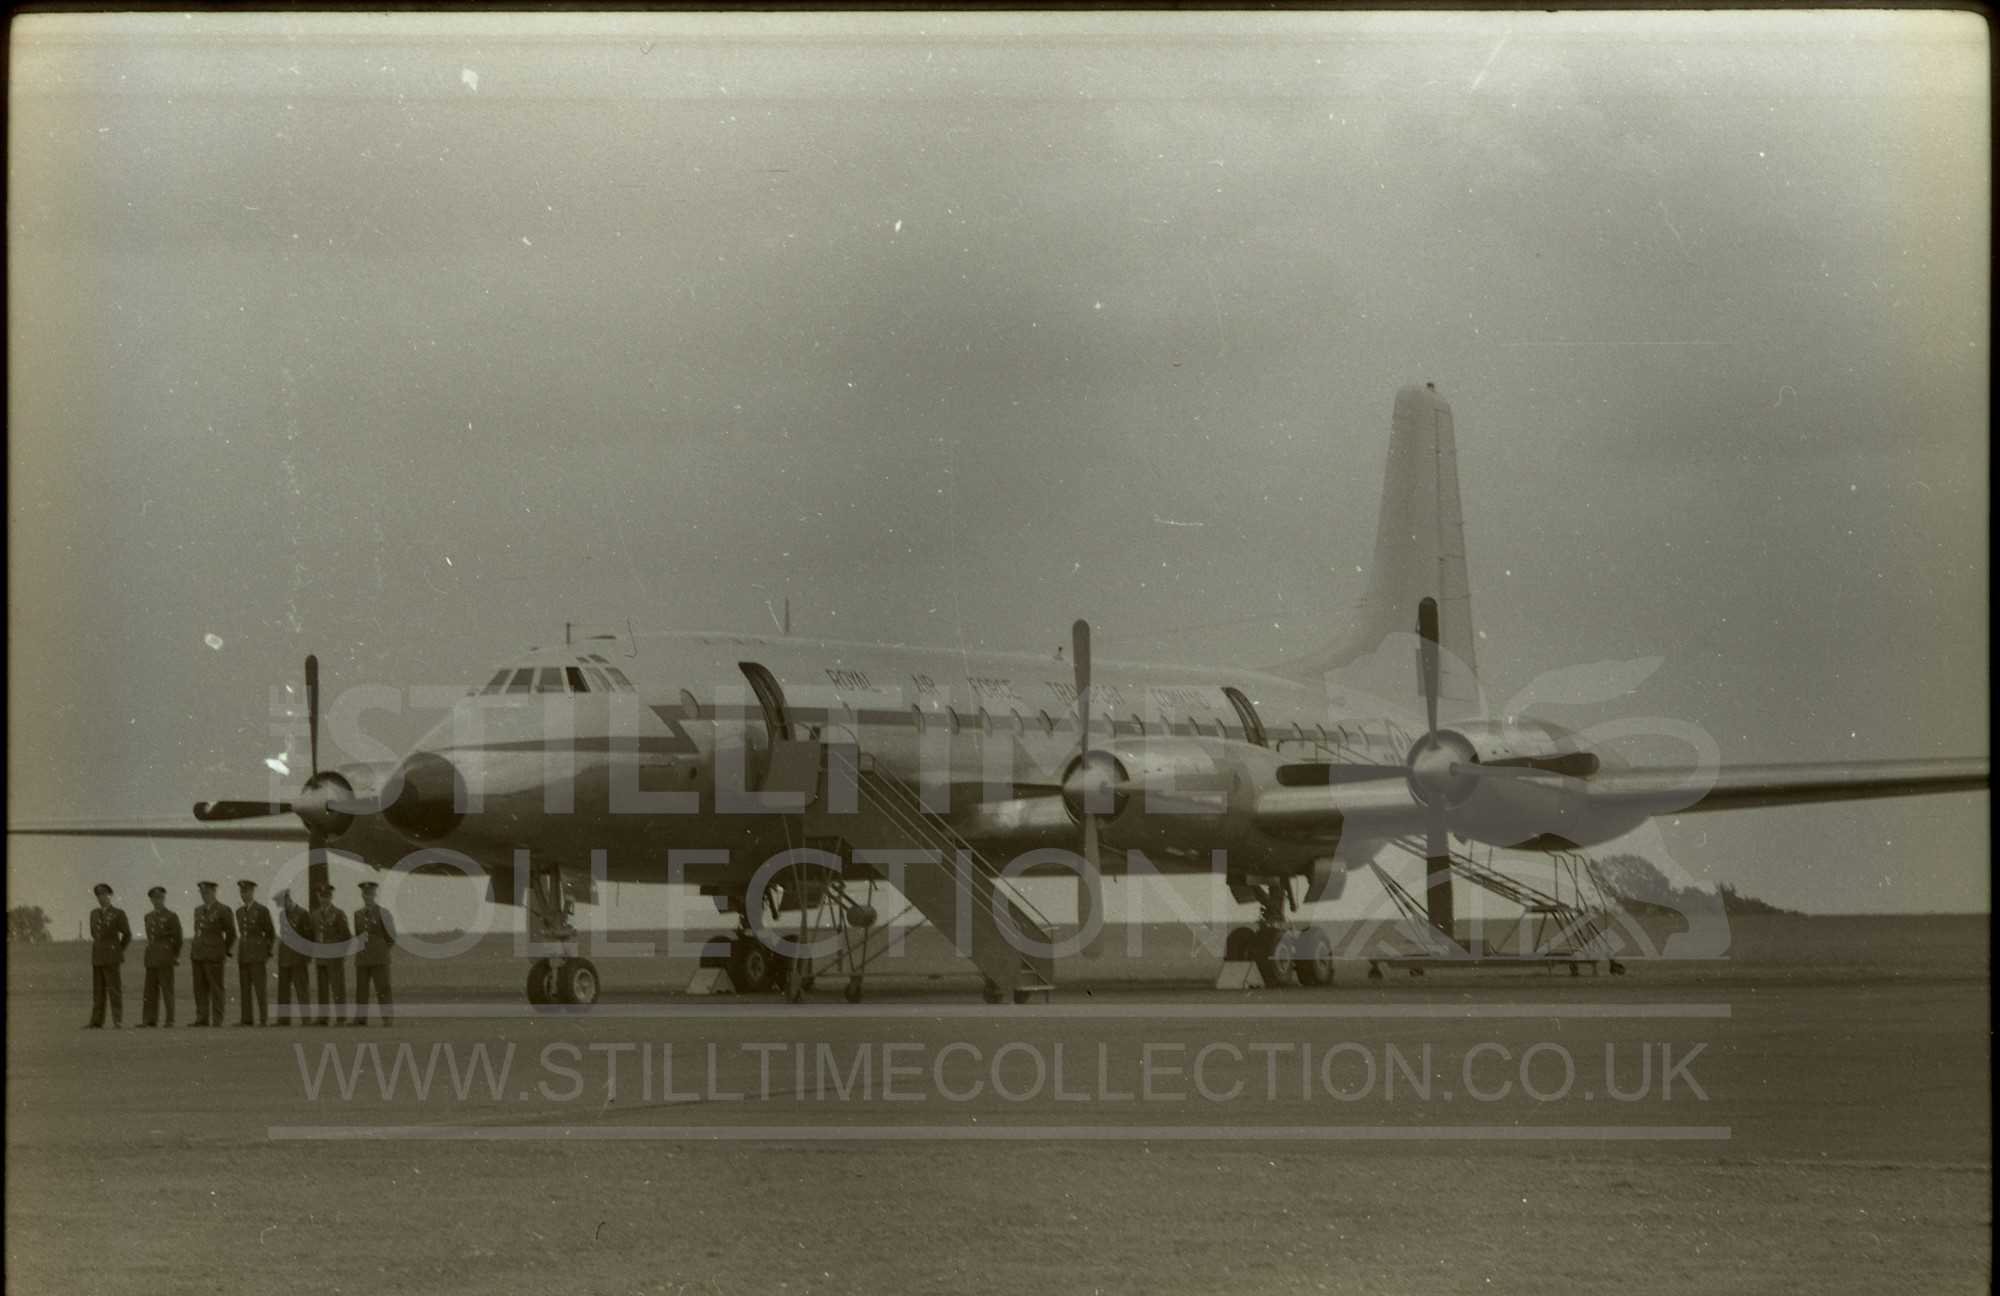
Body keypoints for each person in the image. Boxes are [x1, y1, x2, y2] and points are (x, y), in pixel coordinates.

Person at [187, 880, 237, 1028]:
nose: (204, 895)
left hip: (214, 955)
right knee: (199, 988)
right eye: (202, 893)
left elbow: (231, 933)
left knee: (216, 988)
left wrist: (223, 949)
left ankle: (217, 1019)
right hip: (198, 954)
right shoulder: (198, 910)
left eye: (207, 892)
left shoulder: (223, 910)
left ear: (214, 892)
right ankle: (202, 1018)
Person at [350, 879, 398, 1026]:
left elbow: (391, 937)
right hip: (363, 957)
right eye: (365, 894)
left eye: (370, 894)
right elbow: (358, 934)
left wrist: (381, 949)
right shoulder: (357, 914)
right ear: (362, 896)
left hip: (379, 957)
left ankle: (387, 1018)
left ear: (374, 895)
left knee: (383, 988)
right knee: (361, 990)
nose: (367, 897)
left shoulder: (383, 913)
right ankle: (360, 1018)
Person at [85, 883, 132, 1029]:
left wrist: (118, 950)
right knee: (98, 991)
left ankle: (117, 1020)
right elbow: (94, 933)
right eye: (98, 895)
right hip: (98, 956)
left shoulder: (118, 913)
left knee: (114, 990)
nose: (101, 898)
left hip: (112, 956)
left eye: (104, 895)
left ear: (109, 896)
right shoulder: (94, 913)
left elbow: (127, 934)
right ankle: (96, 1021)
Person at [310, 882, 353, 1027]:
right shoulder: (314, 915)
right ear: (318, 896)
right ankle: (323, 1017)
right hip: (321, 956)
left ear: (331, 896)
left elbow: (346, 936)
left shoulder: (339, 913)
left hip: (334, 957)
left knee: (337, 987)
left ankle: (341, 1017)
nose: (324, 899)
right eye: (322, 896)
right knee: (322, 988)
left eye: (327, 896)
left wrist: (341, 954)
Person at [141, 886, 183, 1027]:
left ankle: (170, 1020)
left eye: (159, 898)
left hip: (165, 957)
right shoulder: (148, 917)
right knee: (150, 991)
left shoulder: (171, 916)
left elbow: (178, 939)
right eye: (154, 898)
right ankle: (149, 1020)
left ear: (164, 898)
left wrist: (175, 956)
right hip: (152, 957)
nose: (157, 901)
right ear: (151, 900)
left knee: (167, 990)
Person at [234, 879, 275, 1026]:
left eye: (246, 891)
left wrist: (267, 952)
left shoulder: (262, 910)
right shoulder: (238, 912)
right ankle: (247, 1019)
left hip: (257, 955)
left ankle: (263, 1019)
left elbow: (270, 933)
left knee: (260, 988)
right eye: (241, 892)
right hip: (244, 954)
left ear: (252, 892)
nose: (243, 894)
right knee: (245, 989)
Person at [273, 887, 314, 1026]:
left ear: (288, 899)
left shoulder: (303, 914)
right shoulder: (282, 915)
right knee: (283, 990)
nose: (282, 906)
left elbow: (310, 938)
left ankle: (306, 1019)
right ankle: (283, 1019)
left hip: (298, 958)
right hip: (284, 957)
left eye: (283, 903)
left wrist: (307, 957)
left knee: (302, 989)